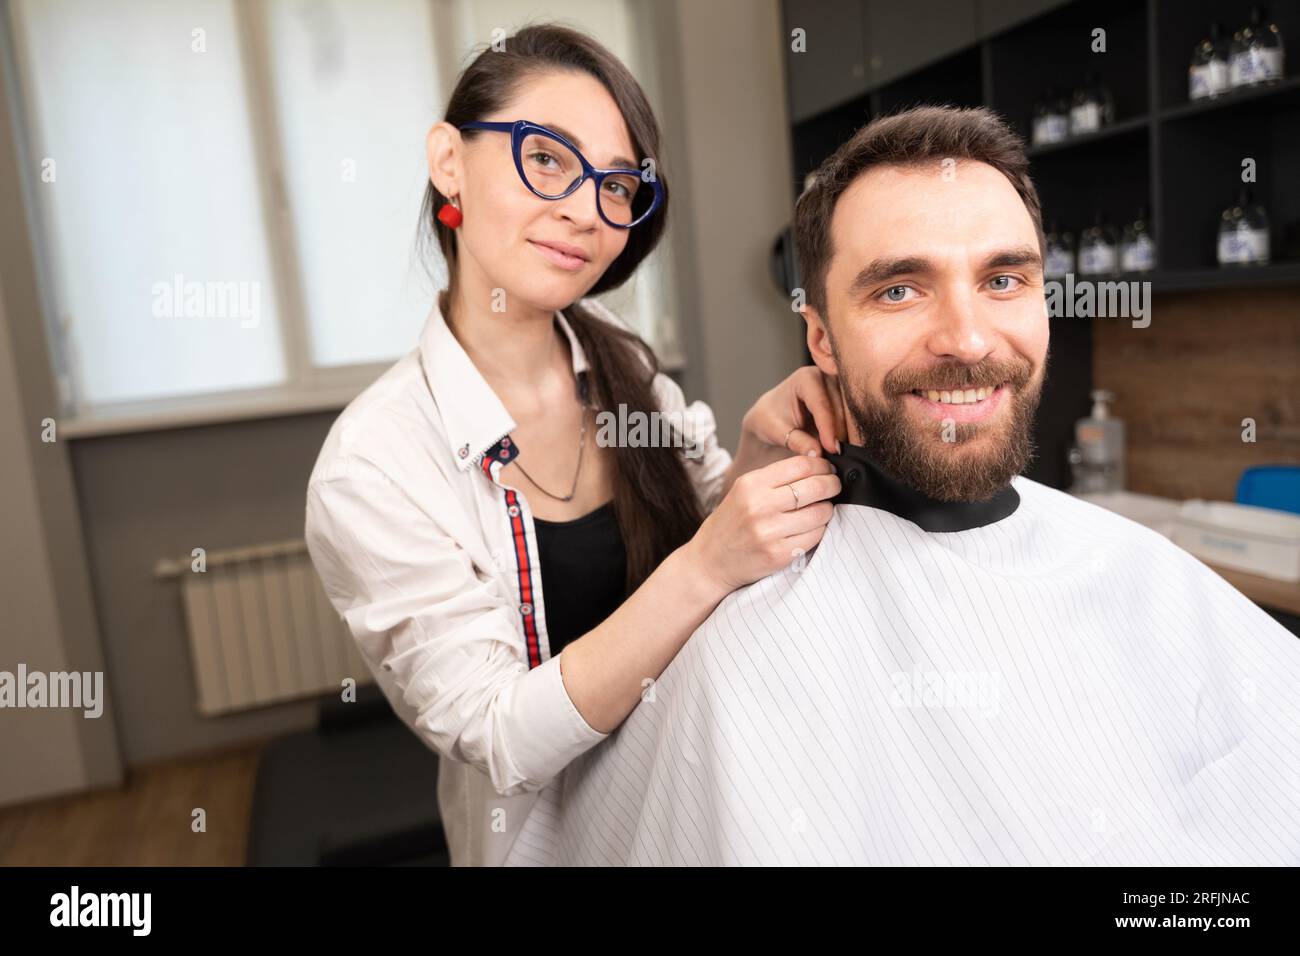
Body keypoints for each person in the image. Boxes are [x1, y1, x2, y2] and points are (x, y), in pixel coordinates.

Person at [503, 105, 1300, 866]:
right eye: (899, 289)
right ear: (820, 338)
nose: (967, 338)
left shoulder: (1141, 569)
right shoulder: (750, 655)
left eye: (1003, 281)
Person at [304, 24, 848, 866]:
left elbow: (709, 518)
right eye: (548, 159)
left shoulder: (620, 363)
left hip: (701, 796)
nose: (586, 212)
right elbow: (498, 733)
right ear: (449, 161)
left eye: (618, 185)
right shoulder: (372, 468)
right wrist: (705, 565)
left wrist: (756, 451)